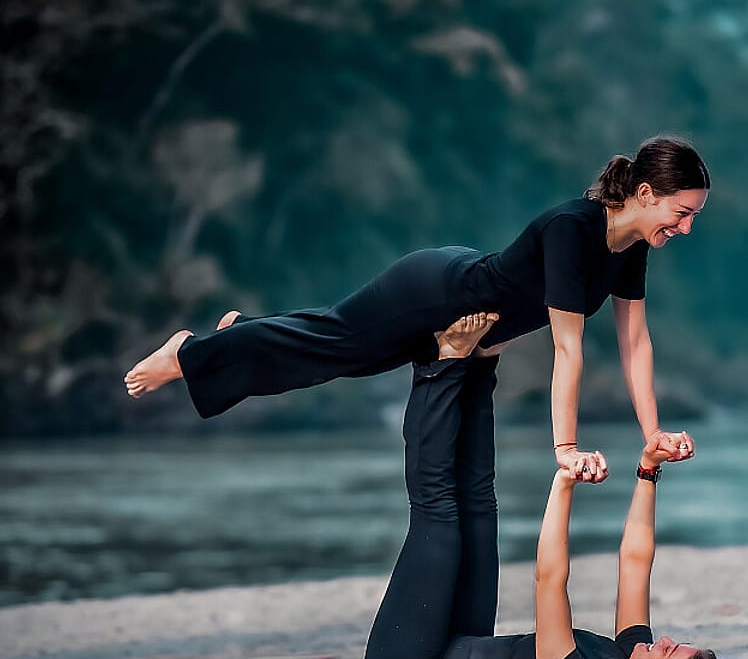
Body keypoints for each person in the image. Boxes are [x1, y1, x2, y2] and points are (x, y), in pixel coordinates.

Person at [123, 135, 709, 479]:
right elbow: (566, 346)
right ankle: (191, 350)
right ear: (644, 194)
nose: (684, 228)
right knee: (338, 344)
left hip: (460, 319)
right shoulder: (571, 230)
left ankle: (243, 333)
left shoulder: (631, 246)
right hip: (435, 292)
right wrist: (565, 449)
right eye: (680, 213)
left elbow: (636, 343)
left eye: (693, 218)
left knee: (338, 352)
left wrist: (652, 433)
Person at [361, 314, 724, 659]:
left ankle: (439, 365)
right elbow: (635, 561)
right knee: (480, 512)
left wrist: (565, 480)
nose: (662, 641)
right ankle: (479, 365)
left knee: (441, 522)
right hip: (461, 645)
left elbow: (549, 578)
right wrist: (648, 469)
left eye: (668, 651)